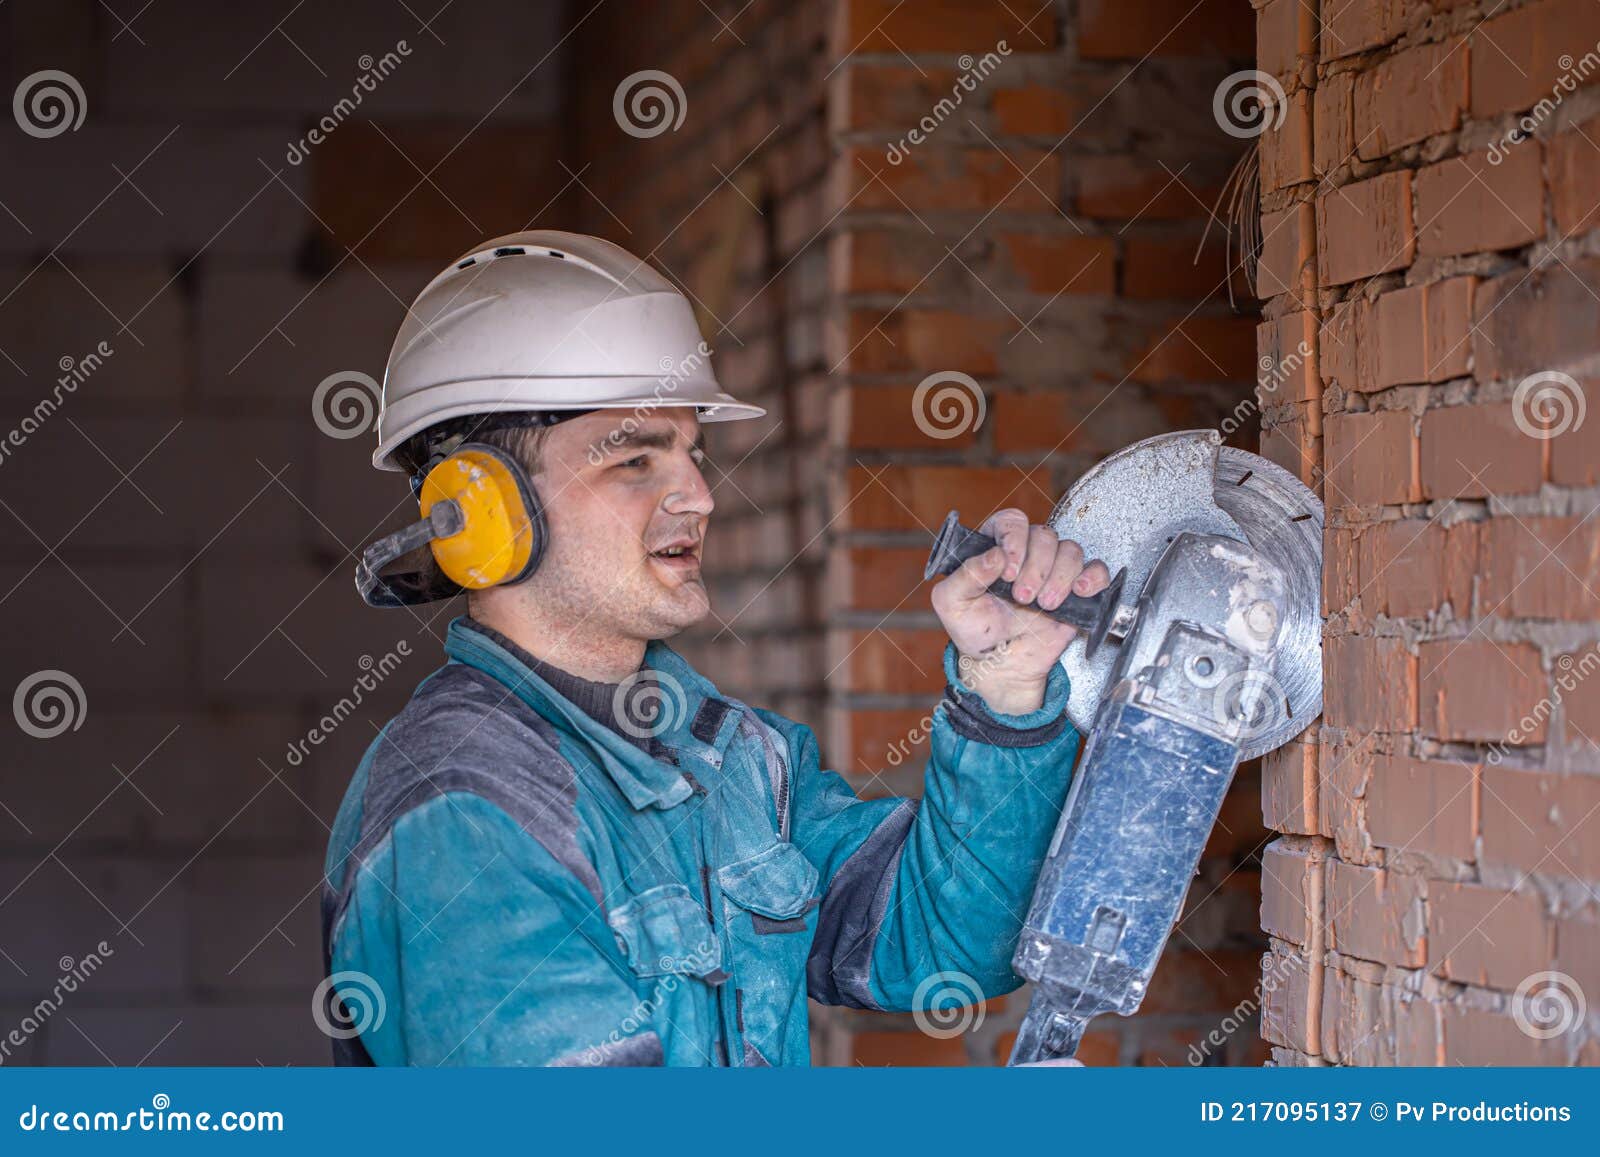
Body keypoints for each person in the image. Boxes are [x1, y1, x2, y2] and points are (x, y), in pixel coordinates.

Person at [320, 230, 1110, 1066]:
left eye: (693, 455)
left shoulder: (730, 759)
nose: (699, 495)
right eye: (635, 459)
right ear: (481, 514)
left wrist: (1005, 683)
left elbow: (949, 943)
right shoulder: (463, 813)